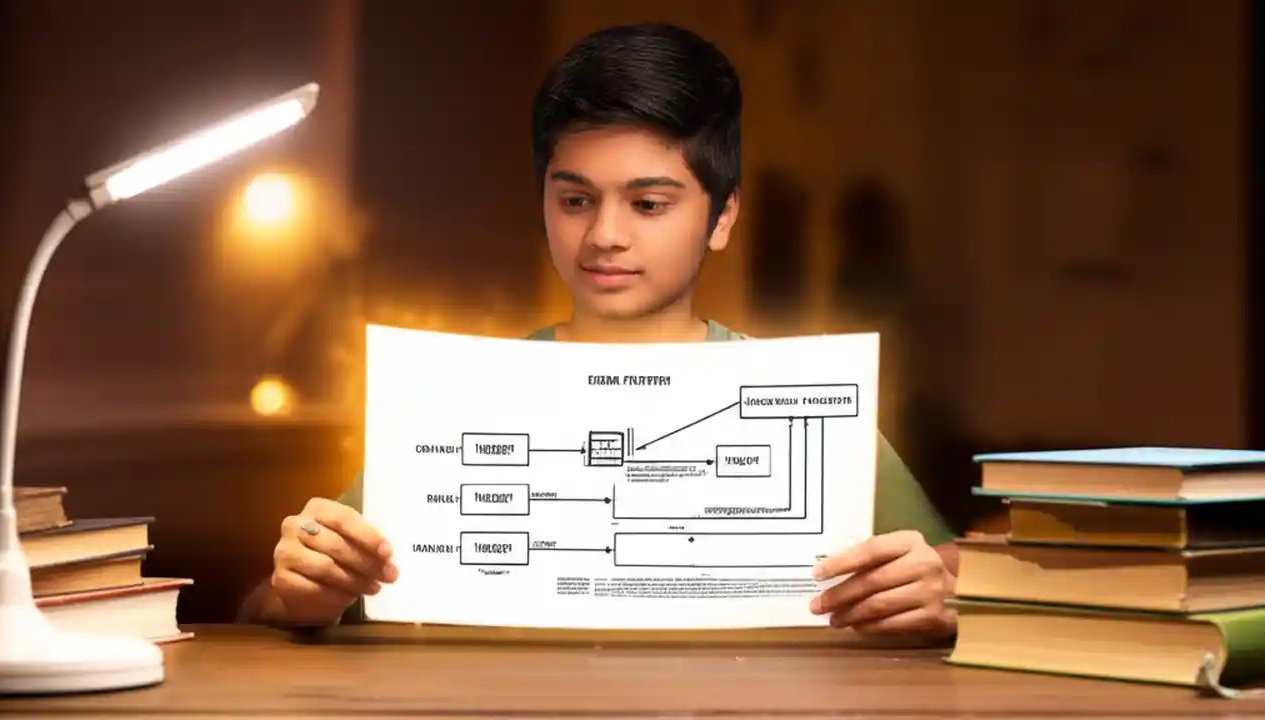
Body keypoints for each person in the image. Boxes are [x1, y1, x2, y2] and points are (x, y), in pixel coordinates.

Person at [239, 23, 958, 639]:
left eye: (648, 204)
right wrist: (302, 592)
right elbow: (271, 608)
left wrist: (949, 598)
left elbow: (955, 579)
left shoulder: (804, 398)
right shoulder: (456, 396)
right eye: (576, 199)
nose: (604, 236)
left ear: (724, 217)